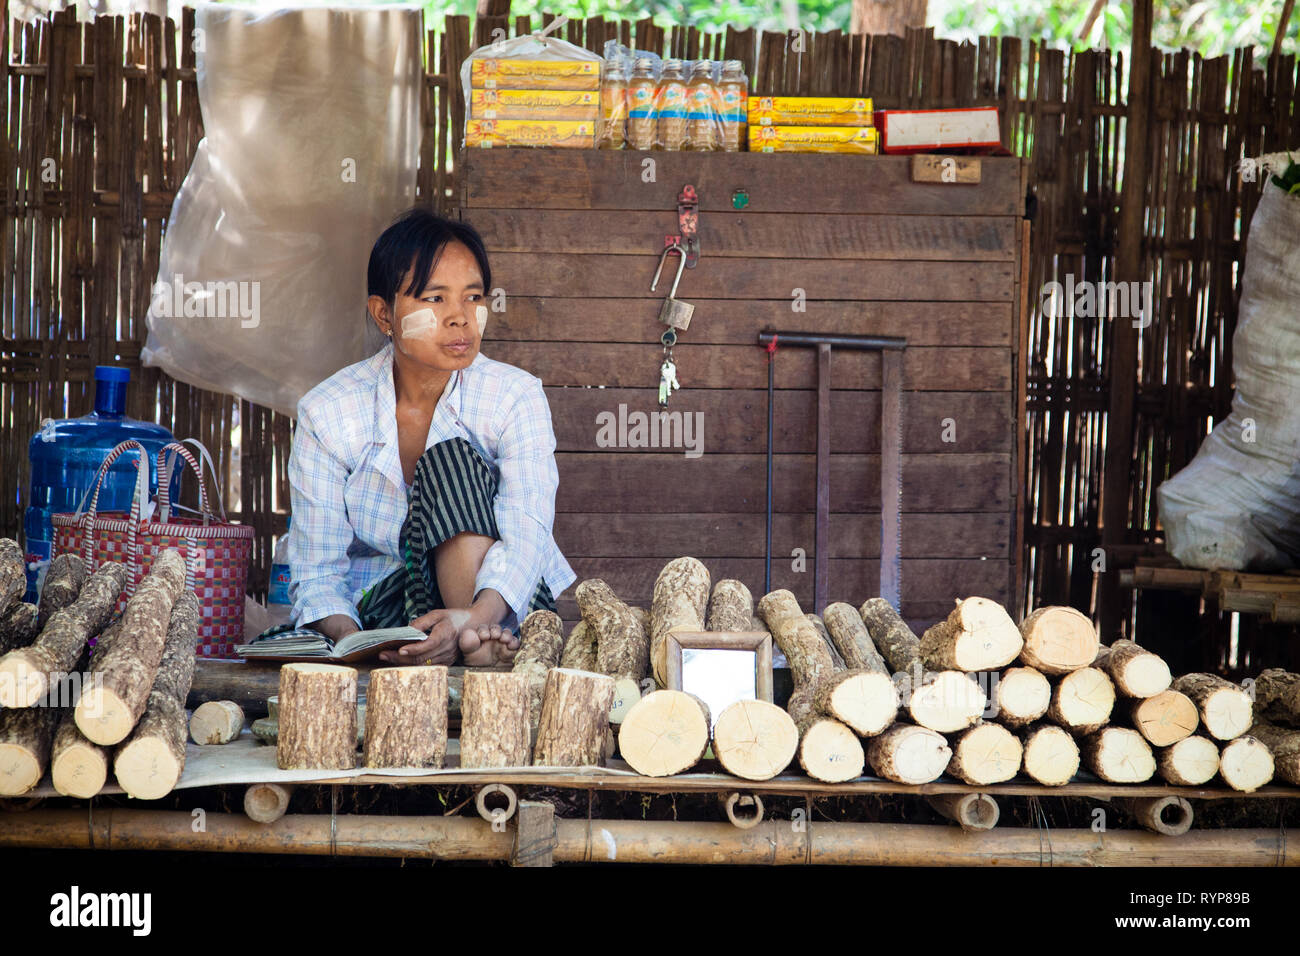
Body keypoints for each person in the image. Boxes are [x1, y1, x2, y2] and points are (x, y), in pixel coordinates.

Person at [285, 208, 575, 666]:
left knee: (451, 462)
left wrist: (471, 620)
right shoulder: (329, 413)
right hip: (386, 616)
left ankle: (475, 647)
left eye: (473, 296)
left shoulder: (515, 397)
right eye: (435, 299)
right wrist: (358, 645)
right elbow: (317, 572)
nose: (460, 317)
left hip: (497, 607)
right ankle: (453, 652)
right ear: (384, 314)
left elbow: (526, 534)